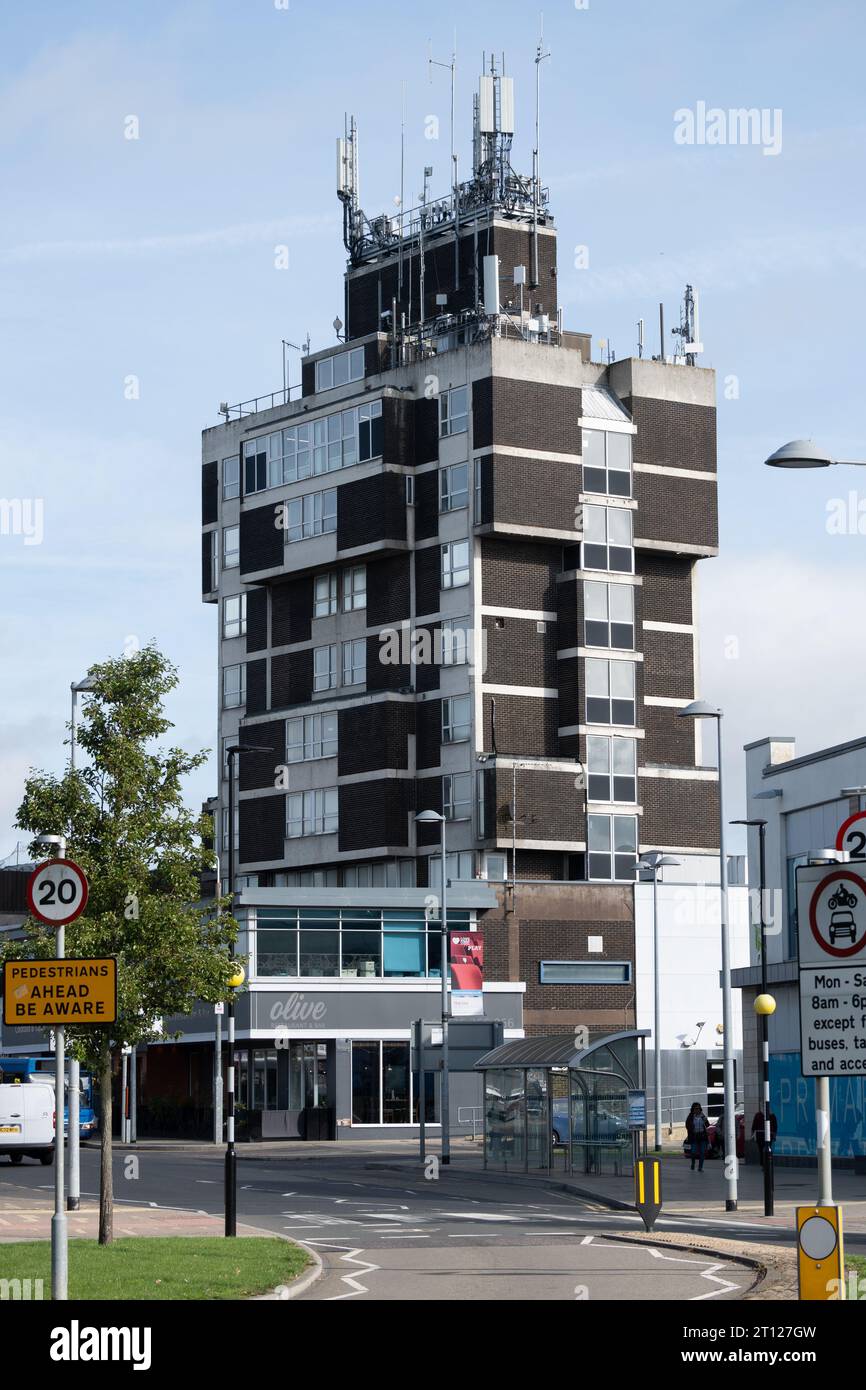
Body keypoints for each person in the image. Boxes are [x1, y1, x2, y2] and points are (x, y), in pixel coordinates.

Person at [686, 1101, 710, 1171]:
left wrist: (704, 1118)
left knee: (702, 1152)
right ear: (693, 1109)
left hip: (702, 1136)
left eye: (698, 1108)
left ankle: (700, 1167)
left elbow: (708, 1125)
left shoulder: (702, 1116)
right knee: (693, 1152)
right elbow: (687, 1126)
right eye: (695, 1108)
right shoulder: (690, 1116)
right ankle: (693, 1163)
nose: (697, 1110)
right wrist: (691, 1130)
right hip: (694, 1136)